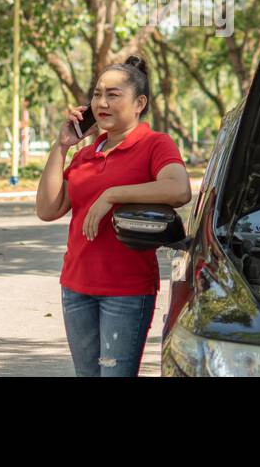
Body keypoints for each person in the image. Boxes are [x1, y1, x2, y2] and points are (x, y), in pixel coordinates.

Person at [35, 55, 191, 377]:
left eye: (113, 95)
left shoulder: (154, 144)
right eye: (96, 94)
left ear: (139, 103)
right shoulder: (86, 154)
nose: (101, 103)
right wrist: (62, 146)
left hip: (127, 291)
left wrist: (113, 195)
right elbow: (48, 209)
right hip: (76, 287)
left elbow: (178, 189)